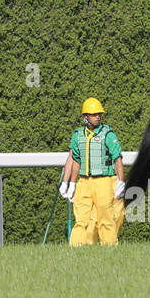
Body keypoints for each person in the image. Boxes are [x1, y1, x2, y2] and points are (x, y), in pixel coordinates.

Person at [59, 97, 126, 246]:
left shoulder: (108, 134)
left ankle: (109, 248)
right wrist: (71, 183)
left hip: (103, 181)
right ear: (85, 116)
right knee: (81, 219)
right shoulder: (78, 135)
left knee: (105, 218)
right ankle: (75, 248)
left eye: (99, 114)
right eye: (94, 114)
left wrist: (121, 181)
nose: (98, 117)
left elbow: (117, 158)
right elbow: (76, 160)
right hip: (83, 181)